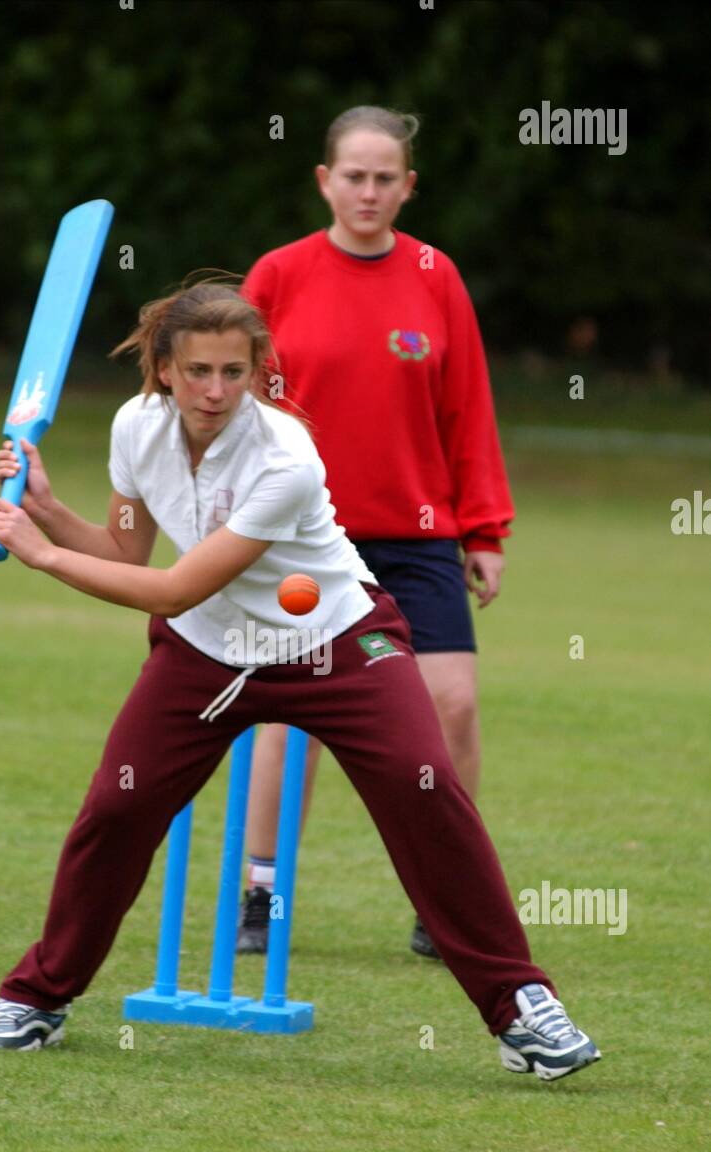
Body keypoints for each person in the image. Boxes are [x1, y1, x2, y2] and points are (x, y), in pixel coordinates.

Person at [0, 278, 600, 1083]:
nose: (214, 391)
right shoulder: (136, 428)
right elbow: (129, 551)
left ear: (257, 369)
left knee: (427, 787)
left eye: (234, 372)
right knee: (118, 807)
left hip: (335, 642)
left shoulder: (285, 454)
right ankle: (38, 996)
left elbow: (173, 587)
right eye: (198, 371)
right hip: (207, 654)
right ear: (164, 368)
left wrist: (40, 554)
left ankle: (521, 1006)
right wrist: (55, 514)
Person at [236, 106, 511, 963]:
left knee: (452, 704)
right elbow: (229, 401)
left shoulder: (435, 275)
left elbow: (467, 406)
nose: (367, 190)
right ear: (324, 180)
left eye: (384, 177)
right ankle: (259, 895)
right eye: (352, 175)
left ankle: (447, 901)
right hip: (303, 539)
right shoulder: (278, 276)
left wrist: (485, 526)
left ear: (408, 187)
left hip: (420, 535)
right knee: (294, 717)